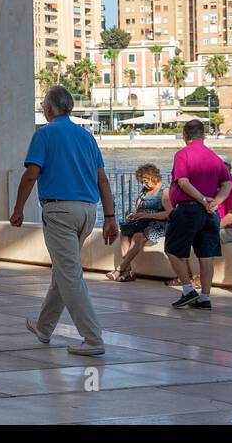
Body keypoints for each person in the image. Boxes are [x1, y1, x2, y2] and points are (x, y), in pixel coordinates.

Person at [10, 85, 118, 356]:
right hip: (88, 211)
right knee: (64, 269)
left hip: (59, 211)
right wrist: (110, 216)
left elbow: (31, 175)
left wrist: (18, 209)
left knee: (70, 274)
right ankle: (45, 328)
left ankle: (93, 338)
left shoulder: (44, 135)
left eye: (43, 106)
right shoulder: (86, 136)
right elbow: (102, 180)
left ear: (49, 108)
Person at [163, 119, 231, 310]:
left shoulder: (182, 154)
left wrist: (202, 199)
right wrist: (215, 202)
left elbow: (183, 182)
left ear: (185, 136)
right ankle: (205, 297)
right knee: (206, 254)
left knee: (173, 249)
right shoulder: (214, 157)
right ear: (204, 135)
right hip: (210, 213)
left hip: (188, 209)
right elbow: (228, 184)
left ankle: (188, 290)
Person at [107, 164, 171, 282]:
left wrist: (147, 215)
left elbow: (168, 214)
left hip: (158, 223)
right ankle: (127, 271)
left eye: (146, 181)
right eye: (142, 182)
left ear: (153, 177)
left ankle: (121, 268)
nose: (144, 184)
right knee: (125, 233)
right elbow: (138, 209)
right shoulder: (144, 191)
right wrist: (134, 215)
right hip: (142, 221)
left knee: (137, 236)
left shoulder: (164, 191)